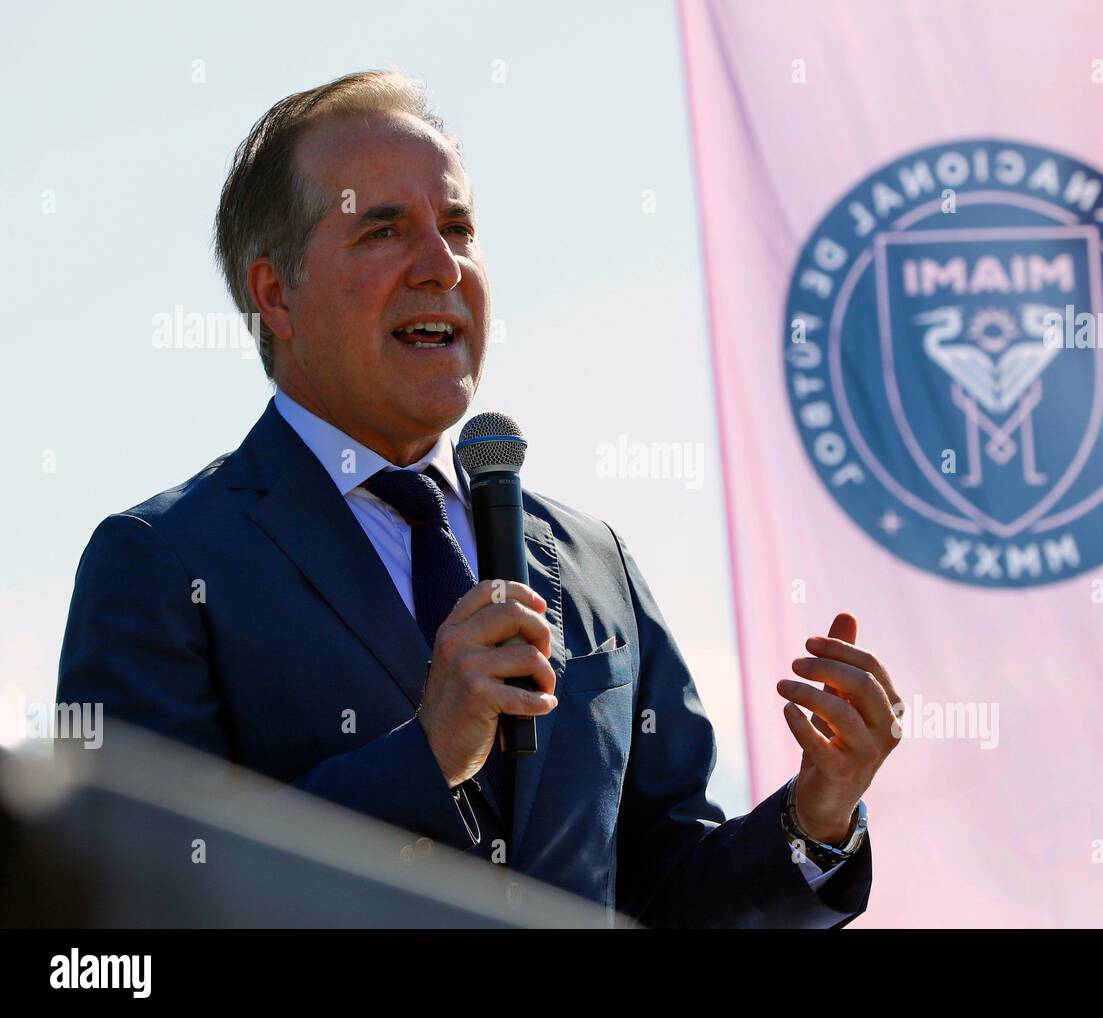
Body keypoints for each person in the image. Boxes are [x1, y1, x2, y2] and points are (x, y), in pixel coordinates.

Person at [57, 70, 902, 928]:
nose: (441, 264)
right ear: (276, 293)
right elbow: (135, 900)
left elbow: (663, 883)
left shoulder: (593, 561)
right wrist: (425, 758)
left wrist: (816, 819)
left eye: (458, 226)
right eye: (384, 230)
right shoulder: (162, 563)